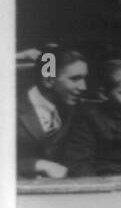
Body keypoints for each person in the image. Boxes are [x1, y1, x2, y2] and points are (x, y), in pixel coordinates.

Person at [17, 46, 88, 179]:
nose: (83, 87)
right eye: (75, 79)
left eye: (84, 78)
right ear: (48, 80)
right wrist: (38, 164)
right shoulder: (9, 110)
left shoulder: (76, 108)